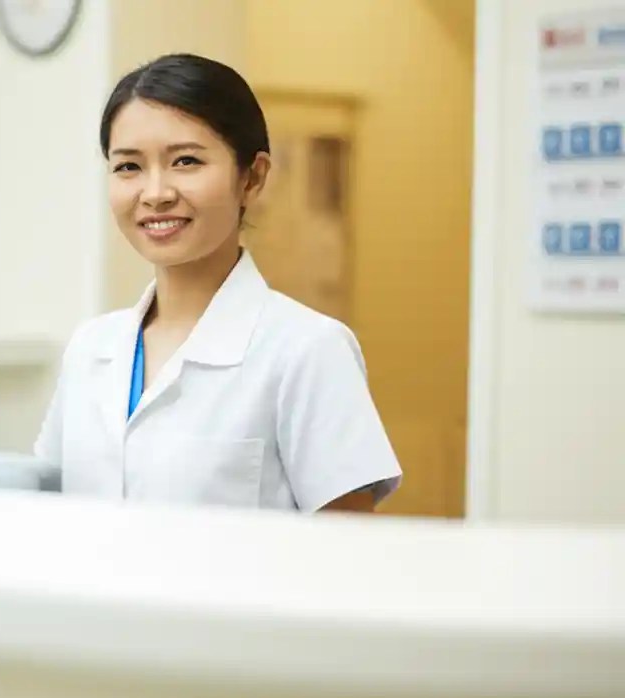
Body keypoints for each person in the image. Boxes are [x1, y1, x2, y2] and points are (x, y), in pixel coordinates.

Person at [34, 54, 401, 512]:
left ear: (252, 178)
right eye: (129, 167)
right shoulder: (92, 348)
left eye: (185, 161)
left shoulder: (307, 350)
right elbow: (42, 512)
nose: (155, 193)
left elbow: (348, 556)